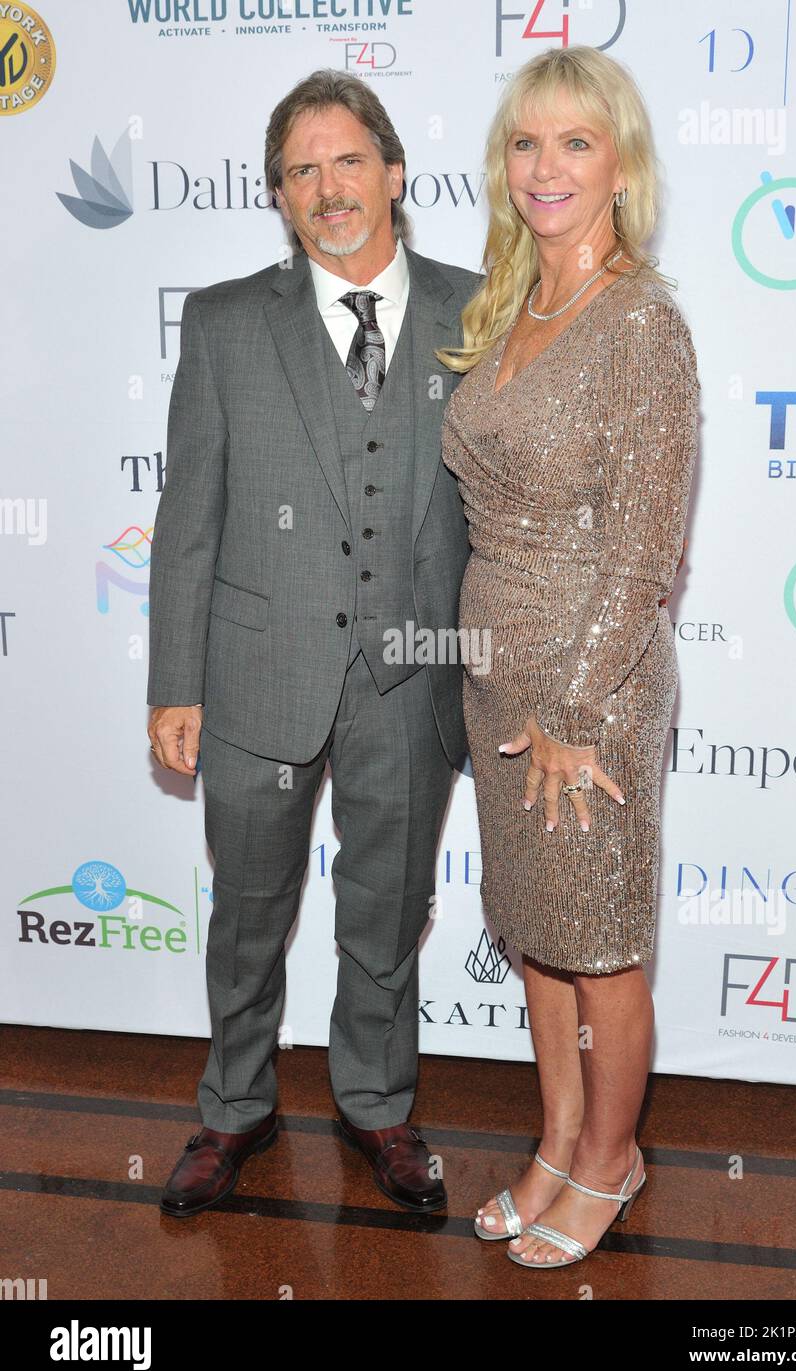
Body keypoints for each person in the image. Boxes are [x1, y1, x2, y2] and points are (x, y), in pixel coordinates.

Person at [146, 70, 480, 1217]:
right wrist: (173, 683)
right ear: (280, 197)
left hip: (412, 678)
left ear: (394, 174)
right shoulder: (229, 321)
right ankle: (233, 1106)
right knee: (247, 911)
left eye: (347, 162)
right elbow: (188, 513)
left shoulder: (478, 312)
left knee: (386, 914)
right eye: (301, 171)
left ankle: (379, 1105)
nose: (327, 189)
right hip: (253, 671)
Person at [439, 45, 700, 1267]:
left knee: (599, 946)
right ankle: (554, 1141)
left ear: (619, 168)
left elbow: (646, 545)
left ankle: (611, 1159)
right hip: (497, 674)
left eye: (575, 143)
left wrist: (574, 709)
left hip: (590, 686)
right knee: (536, 932)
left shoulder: (641, 322)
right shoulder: (506, 308)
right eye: (526, 143)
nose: (546, 166)